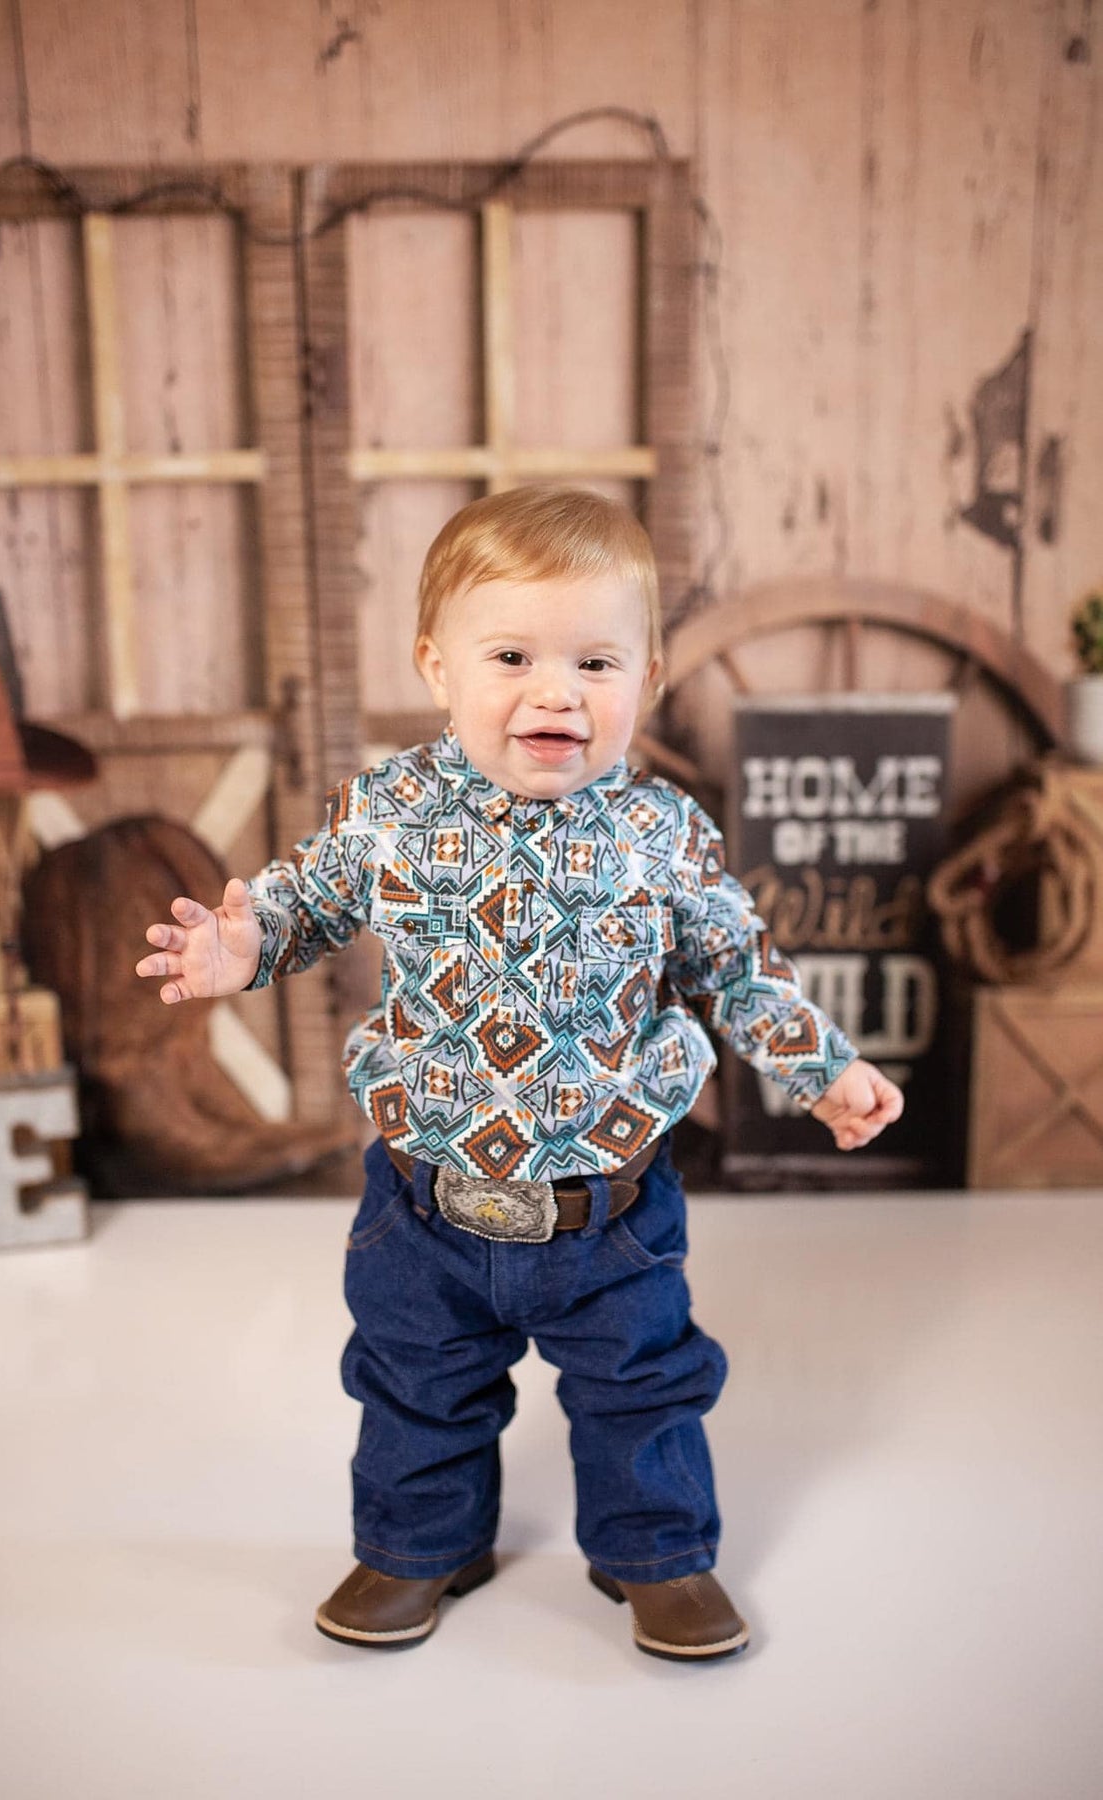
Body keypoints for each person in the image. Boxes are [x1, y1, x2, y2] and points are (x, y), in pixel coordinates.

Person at [136, 487, 904, 1661]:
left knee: (641, 1391)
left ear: (645, 675)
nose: (557, 692)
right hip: (423, 1205)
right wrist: (241, 947)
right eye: (513, 656)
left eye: (597, 660)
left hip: (611, 1215)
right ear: (437, 666)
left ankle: (656, 1554)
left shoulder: (663, 834)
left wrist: (824, 1069)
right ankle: (418, 1546)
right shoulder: (390, 809)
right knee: (413, 1388)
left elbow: (738, 965)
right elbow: (303, 900)